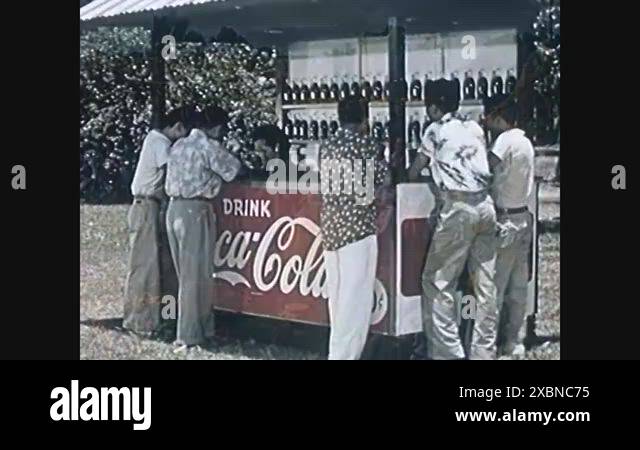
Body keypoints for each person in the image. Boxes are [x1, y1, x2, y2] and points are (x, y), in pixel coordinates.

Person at [408, 79, 498, 360]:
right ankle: (484, 352)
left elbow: (414, 172)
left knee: (437, 281)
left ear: (434, 107)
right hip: (486, 206)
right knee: (485, 284)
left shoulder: (434, 131)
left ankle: (448, 353)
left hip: (458, 208)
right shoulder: (474, 128)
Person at [165, 106, 242, 349]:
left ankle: (201, 328)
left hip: (173, 209)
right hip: (195, 211)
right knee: (195, 276)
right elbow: (233, 170)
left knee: (185, 275)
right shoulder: (208, 146)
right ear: (216, 127)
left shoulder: (178, 146)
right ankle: (189, 335)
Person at [319, 96, 390, 360]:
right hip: (358, 228)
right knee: (355, 300)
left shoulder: (327, 145)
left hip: (331, 227)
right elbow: (383, 181)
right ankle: (345, 356)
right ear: (364, 118)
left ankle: (336, 352)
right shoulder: (368, 144)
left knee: (337, 298)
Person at [123, 106, 189, 336]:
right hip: (146, 205)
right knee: (144, 266)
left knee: (165, 267)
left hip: (157, 206)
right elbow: (174, 167)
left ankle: (164, 318)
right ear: (177, 127)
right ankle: (138, 322)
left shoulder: (159, 141)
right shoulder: (159, 142)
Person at [483, 94, 535, 357]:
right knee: (517, 288)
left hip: (504, 220)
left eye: (489, 117)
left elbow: (485, 169)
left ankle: (488, 346)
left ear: (499, 116)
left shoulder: (503, 142)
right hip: (523, 218)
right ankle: (514, 343)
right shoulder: (525, 142)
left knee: (495, 289)